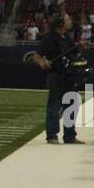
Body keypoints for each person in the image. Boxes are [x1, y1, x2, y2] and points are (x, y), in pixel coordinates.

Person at [28, 13, 80, 144]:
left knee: (71, 106)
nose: (70, 21)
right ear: (61, 23)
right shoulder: (49, 38)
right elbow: (37, 56)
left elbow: (72, 54)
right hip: (56, 75)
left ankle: (69, 136)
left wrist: (80, 47)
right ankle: (51, 135)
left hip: (69, 75)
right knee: (54, 106)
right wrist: (42, 63)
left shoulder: (67, 37)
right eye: (67, 19)